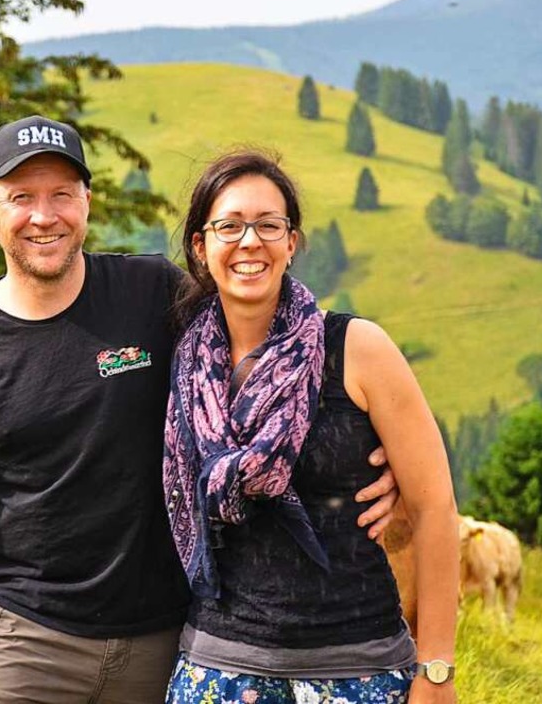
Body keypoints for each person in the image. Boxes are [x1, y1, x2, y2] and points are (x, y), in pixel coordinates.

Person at [0, 116, 400, 704]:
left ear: (87, 201)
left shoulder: (154, 292)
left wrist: (367, 452)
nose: (43, 215)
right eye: (21, 198)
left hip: (170, 639)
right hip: (27, 641)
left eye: (62, 194)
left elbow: (267, 347)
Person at [163, 150, 459, 704]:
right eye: (229, 226)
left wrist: (437, 668)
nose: (250, 242)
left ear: (291, 242)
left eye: (268, 225)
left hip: (359, 672)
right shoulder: (181, 361)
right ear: (201, 247)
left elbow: (436, 508)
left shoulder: (356, 349)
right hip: (216, 671)